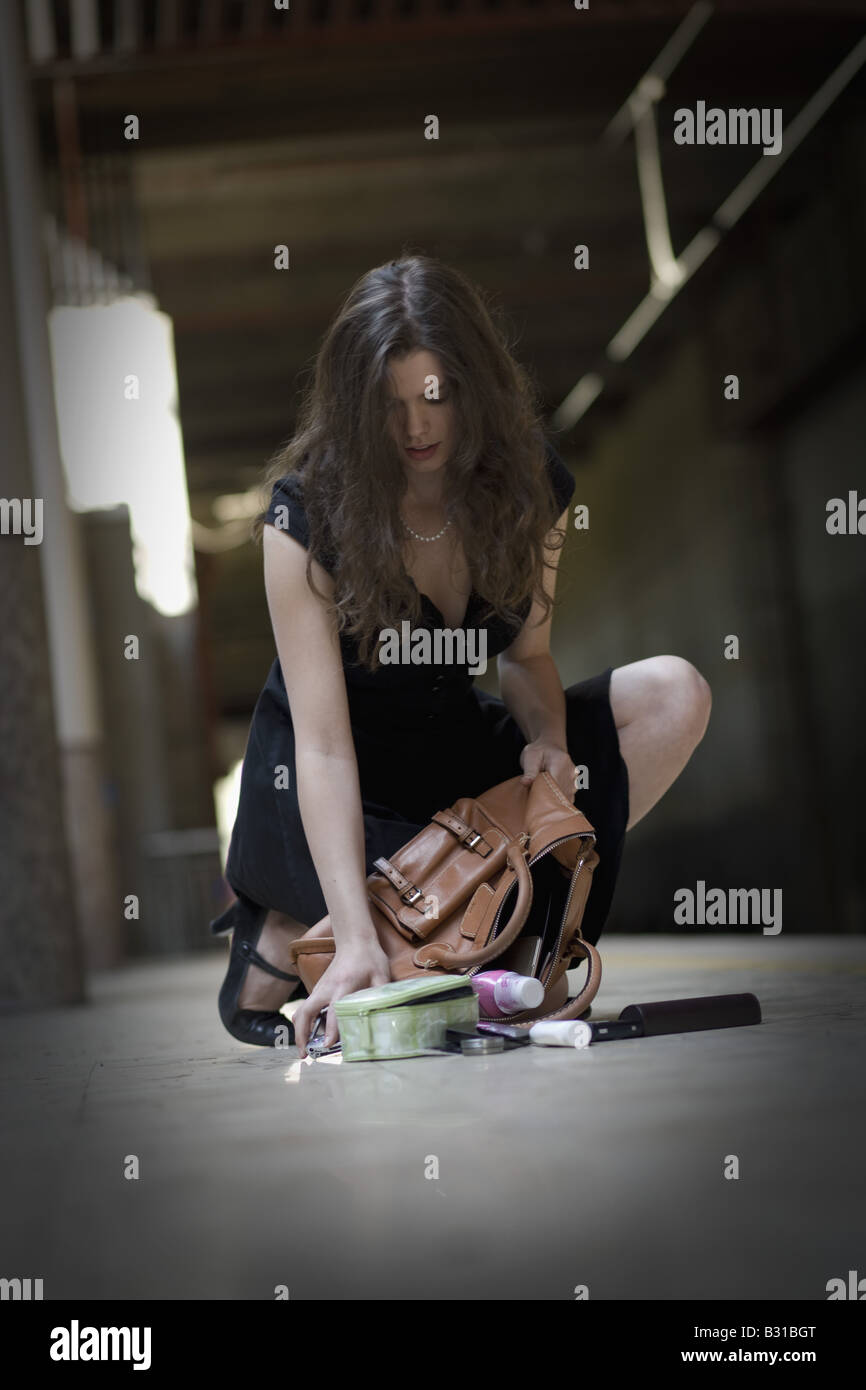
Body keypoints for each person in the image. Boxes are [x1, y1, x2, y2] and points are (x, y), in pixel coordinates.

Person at [210, 254, 711, 1057]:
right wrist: (360, 943)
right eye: (390, 405)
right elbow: (324, 746)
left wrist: (549, 739)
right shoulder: (303, 519)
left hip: (457, 778)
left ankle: (413, 913)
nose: (416, 427)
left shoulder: (529, 485)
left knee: (674, 694)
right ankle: (305, 921)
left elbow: (526, 659)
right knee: (457, 972)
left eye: (435, 396)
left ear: (475, 387)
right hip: (336, 784)